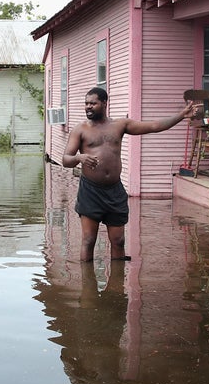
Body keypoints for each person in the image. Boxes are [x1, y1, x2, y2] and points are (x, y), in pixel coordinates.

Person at [63, 87, 199, 262]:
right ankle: (87, 287)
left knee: (119, 241)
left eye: (93, 103)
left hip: (114, 191)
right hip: (91, 191)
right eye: (86, 104)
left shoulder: (120, 125)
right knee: (89, 240)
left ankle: (117, 286)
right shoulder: (80, 130)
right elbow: (66, 159)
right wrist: (79, 157)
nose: (88, 107)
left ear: (104, 103)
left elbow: (154, 126)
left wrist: (181, 115)